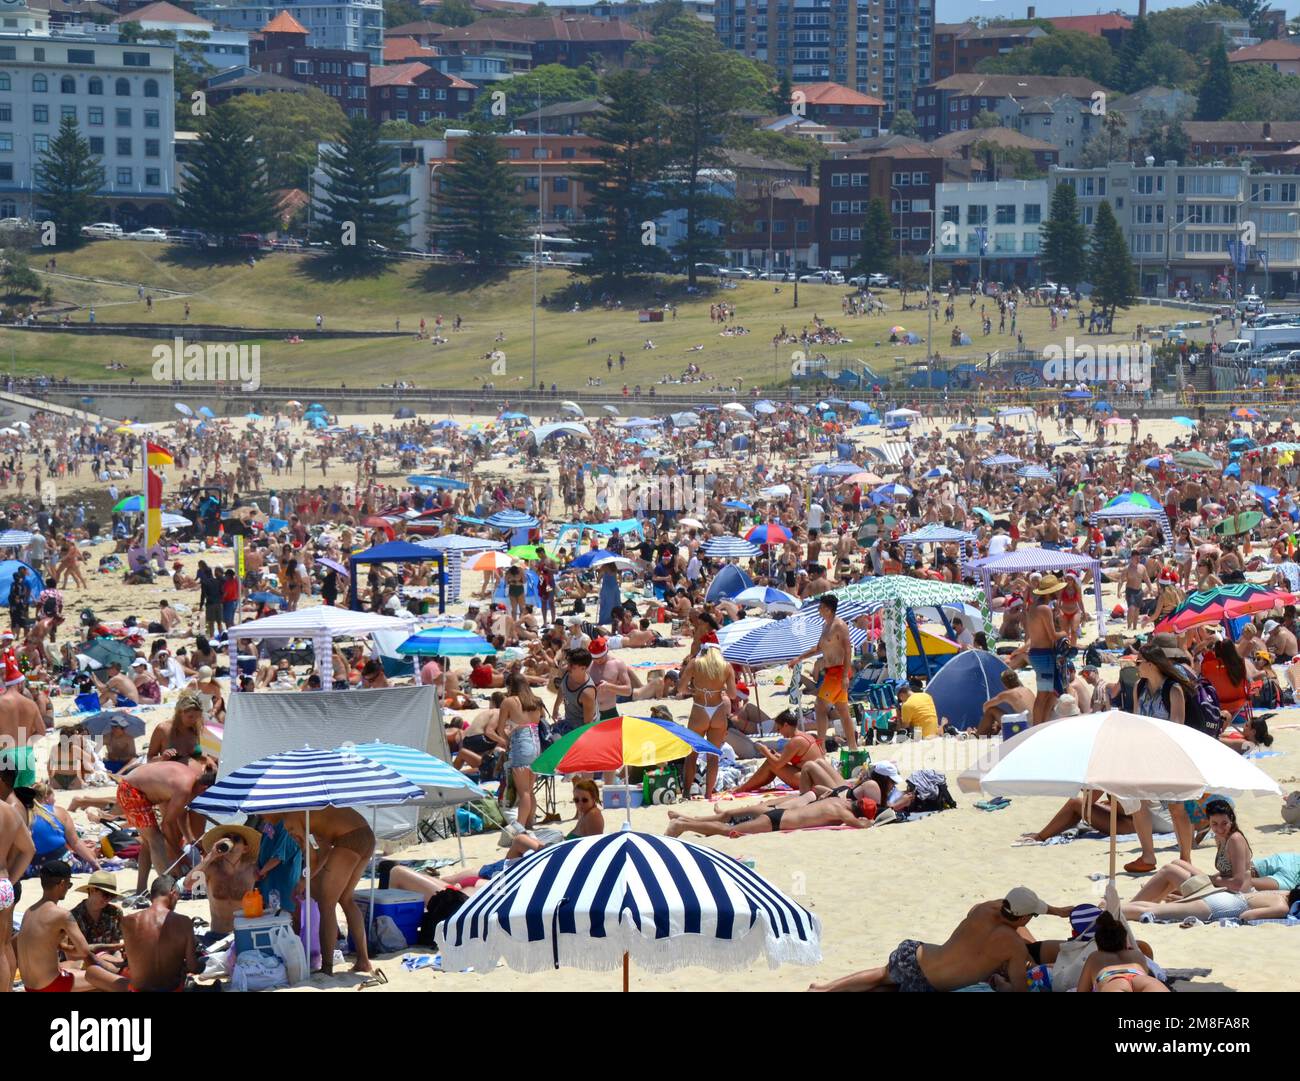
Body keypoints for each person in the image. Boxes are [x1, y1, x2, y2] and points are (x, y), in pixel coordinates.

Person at [809, 887, 1047, 992]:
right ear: (1024, 917)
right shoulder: (1013, 946)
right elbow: (1018, 988)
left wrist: (1055, 910)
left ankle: (823, 988)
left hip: (919, 954)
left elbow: (1006, 905)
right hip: (932, 984)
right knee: (884, 986)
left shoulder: (984, 910)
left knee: (883, 974)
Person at [266, 805, 374, 976]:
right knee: (346, 899)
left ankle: (327, 967)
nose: (262, 818)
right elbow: (322, 853)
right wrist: (307, 878)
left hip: (348, 838)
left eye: (260, 813)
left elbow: (314, 857)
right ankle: (363, 961)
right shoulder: (309, 807)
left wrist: (303, 879)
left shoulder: (290, 819)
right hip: (366, 835)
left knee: (327, 905)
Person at [1126, 643, 1196, 871]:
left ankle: (1186, 859)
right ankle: (1148, 856)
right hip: (1144, 753)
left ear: (1151, 664)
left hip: (1169, 755)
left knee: (1177, 808)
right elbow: (1136, 718)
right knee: (1137, 802)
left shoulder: (1173, 689)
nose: (1136, 666)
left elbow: (1178, 725)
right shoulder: (1140, 687)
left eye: (1138, 662)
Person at [1126, 799, 1254, 916]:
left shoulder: (1235, 839)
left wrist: (1210, 879)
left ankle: (1132, 905)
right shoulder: (1221, 837)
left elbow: (1237, 883)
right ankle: (1154, 899)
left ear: (1232, 819)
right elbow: (1227, 873)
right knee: (1177, 863)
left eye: (1224, 823)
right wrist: (1210, 879)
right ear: (1208, 822)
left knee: (1169, 870)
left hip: (1236, 895)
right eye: (1214, 824)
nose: (1220, 828)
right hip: (1223, 887)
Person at [112, 759, 216, 893]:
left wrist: (190, 839)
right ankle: (167, 889)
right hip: (130, 790)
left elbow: (181, 814)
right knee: (156, 839)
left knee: (148, 842)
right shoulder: (184, 788)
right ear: (205, 788)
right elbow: (167, 825)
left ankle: (141, 889)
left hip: (133, 787)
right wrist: (178, 853)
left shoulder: (191, 779)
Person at [787, 594, 857, 749]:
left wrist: (845, 675)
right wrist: (799, 658)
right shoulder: (825, 626)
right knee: (843, 710)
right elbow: (818, 649)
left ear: (828, 609)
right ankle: (853, 748)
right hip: (831, 671)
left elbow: (847, 650)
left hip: (839, 671)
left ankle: (821, 747)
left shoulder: (839, 625)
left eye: (820, 607)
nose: (818, 610)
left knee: (820, 706)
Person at [666, 792, 881, 837]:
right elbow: (861, 825)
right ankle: (683, 825)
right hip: (779, 821)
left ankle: (686, 820)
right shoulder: (842, 812)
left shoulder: (838, 801)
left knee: (729, 817)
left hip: (781, 811)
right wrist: (870, 821)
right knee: (730, 830)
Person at [490, 671, 544, 831]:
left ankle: (520, 827)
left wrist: (507, 741)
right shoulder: (536, 702)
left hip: (521, 744)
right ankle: (529, 823)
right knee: (530, 789)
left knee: (524, 792)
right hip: (536, 745)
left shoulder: (508, 702)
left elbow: (500, 729)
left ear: (510, 685)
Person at [680, 643, 735, 799]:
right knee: (713, 756)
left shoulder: (695, 664)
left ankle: (686, 794)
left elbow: (681, 688)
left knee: (691, 755)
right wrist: (719, 689)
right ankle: (708, 794)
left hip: (699, 709)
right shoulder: (726, 666)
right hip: (717, 711)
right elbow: (732, 694)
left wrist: (694, 691)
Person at [183, 824, 260, 934]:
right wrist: (210, 856)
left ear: (245, 849)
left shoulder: (252, 870)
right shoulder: (212, 869)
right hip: (217, 934)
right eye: (227, 838)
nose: (231, 842)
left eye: (236, 839)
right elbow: (188, 885)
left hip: (243, 933)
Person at [0, 766, 35, 993]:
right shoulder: (9, 810)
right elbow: (29, 849)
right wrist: (10, 881)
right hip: (3, 885)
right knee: (2, 947)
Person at [1077, 912, 1168, 993]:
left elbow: (1082, 990)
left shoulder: (1095, 956)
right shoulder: (1137, 954)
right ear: (1125, 941)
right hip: (1142, 979)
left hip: (1113, 981)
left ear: (1098, 945)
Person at [732, 710, 822, 793]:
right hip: (818, 778)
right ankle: (747, 787)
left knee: (770, 763)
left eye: (779, 729)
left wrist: (765, 751)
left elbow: (778, 765)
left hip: (810, 781)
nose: (779, 732)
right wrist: (776, 755)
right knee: (773, 760)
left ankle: (744, 788)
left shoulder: (796, 741)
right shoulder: (806, 736)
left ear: (786, 725)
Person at [1025, 574, 1067, 725]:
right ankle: (1036, 727)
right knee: (1043, 695)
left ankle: (1041, 724)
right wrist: (1065, 632)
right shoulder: (1044, 609)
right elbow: (1053, 636)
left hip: (1037, 653)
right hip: (1044, 655)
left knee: (1048, 693)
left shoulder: (1034, 607)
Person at [978, 669, 1034, 736]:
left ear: (1004, 684)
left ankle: (978, 734)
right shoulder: (1027, 690)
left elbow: (985, 706)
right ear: (1017, 679)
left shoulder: (1008, 694)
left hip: (1024, 727)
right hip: (1036, 725)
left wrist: (991, 721)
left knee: (991, 710)